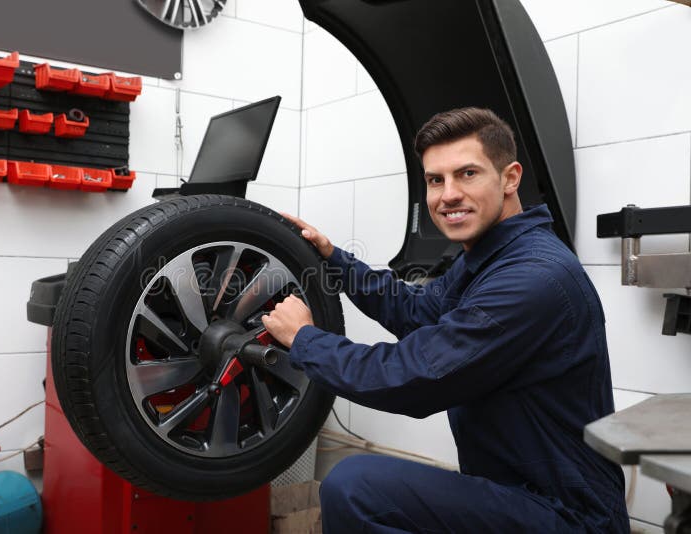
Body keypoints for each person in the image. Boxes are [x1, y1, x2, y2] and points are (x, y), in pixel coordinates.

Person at [261, 107, 629, 533]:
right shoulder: (489, 257)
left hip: (567, 516)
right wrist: (335, 259)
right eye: (436, 180)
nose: (448, 194)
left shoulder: (532, 278)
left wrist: (305, 339)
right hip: (516, 494)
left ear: (510, 178)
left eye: (467, 174)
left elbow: (413, 377)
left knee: (354, 486)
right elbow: (417, 310)